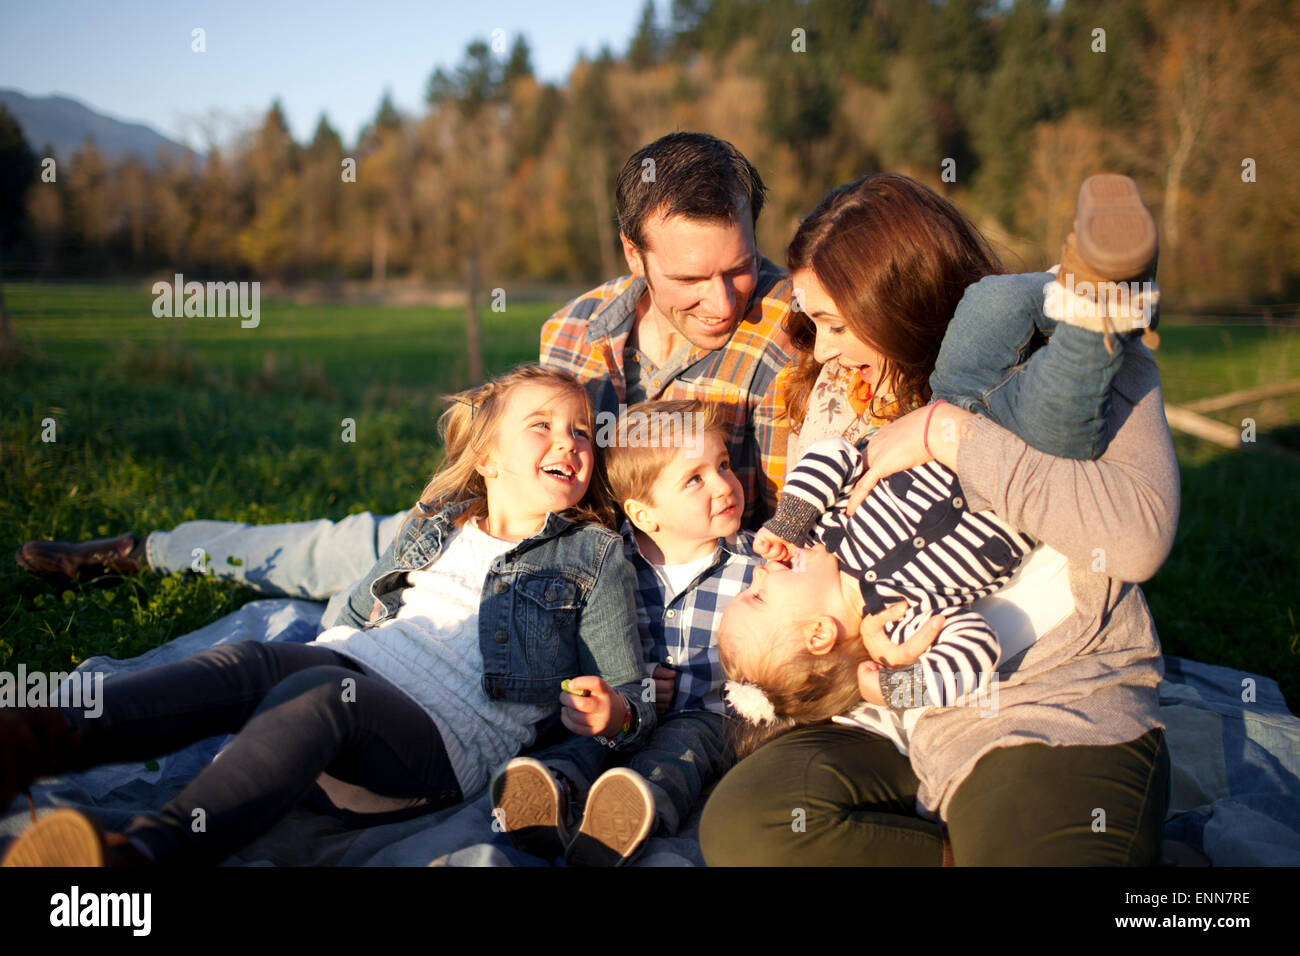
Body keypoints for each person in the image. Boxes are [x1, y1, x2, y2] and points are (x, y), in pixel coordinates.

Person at [16, 132, 795, 607]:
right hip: (523, 538)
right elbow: (529, 462)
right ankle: (153, 551)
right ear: (634, 254)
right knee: (352, 546)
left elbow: (788, 528)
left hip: (655, 587)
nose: (723, 297)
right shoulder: (578, 325)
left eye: (737, 267)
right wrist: (444, 518)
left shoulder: (790, 336)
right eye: (690, 280)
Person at [700, 172, 1178, 866]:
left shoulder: (1082, 356)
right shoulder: (842, 390)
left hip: (1040, 706)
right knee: (748, 828)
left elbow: (1134, 542)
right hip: (889, 713)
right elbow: (823, 585)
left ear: (898, 299)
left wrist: (948, 435)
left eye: (834, 323)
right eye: (813, 321)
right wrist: (867, 670)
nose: (822, 349)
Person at [1, 365, 655, 866]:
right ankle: (32, 739)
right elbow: (353, 606)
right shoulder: (436, 524)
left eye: (580, 432)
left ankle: (142, 856)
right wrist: (318, 653)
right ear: (485, 457)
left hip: (431, 747)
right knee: (262, 660)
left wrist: (612, 713)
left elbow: (631, 694)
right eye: (542, 424)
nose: (569, 443)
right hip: (344, 687)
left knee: (321, 692)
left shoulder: (593, 556)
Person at [491, 399, 762, 866]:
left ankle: (623, 820)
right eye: (695, 479)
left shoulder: (758, 567)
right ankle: (549, 793)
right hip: (625, 707)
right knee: (584, 735)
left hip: (709, 715)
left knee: (680, 753)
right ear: (644, 513)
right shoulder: (607, 563)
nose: (724, 484)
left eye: (723, 465)